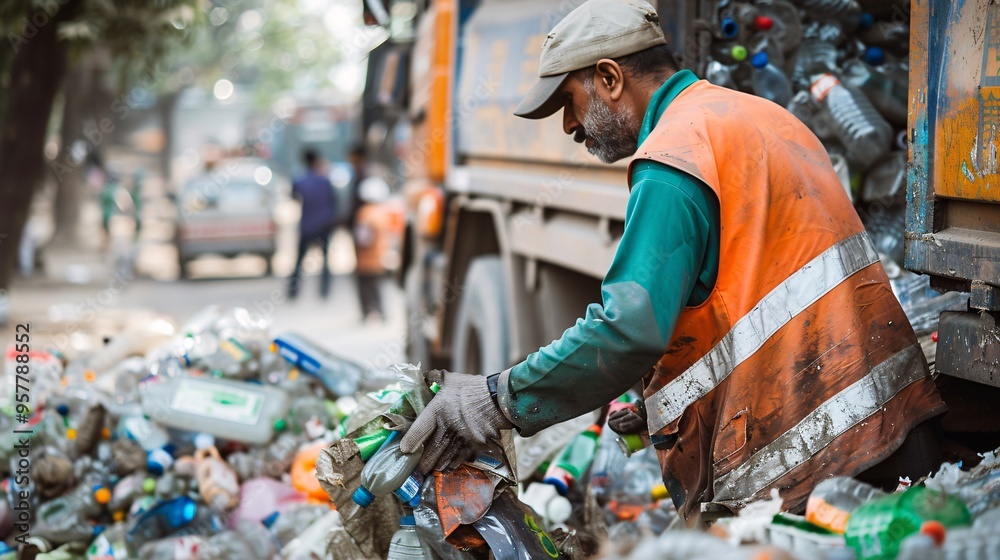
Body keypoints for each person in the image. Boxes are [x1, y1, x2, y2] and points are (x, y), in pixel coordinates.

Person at [400, 0, 947, 519]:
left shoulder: (674, 157)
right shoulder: (759, 115)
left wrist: (496, 399)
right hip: (889, 426)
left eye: (568, 102)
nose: (568, 127)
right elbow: (760, 286)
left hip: (816, 461)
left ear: (611, 79)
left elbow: (626, 330)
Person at [288, 149, 337, 300]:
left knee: (299, 261)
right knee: (325, 261)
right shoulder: (324, 180)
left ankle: (293, 291)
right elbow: (333, 202)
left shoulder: (300, 180)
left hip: (307, 225)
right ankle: (324, 291)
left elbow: (293, 196)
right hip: (324, 225)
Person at [353, 177, 393, 321]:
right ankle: (381, 313)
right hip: (380, 257)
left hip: (366, 259)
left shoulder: (364, 212)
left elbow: (362, 238)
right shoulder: (383, 212)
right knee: (378, 288)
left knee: (365, 287)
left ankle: (367, 313)